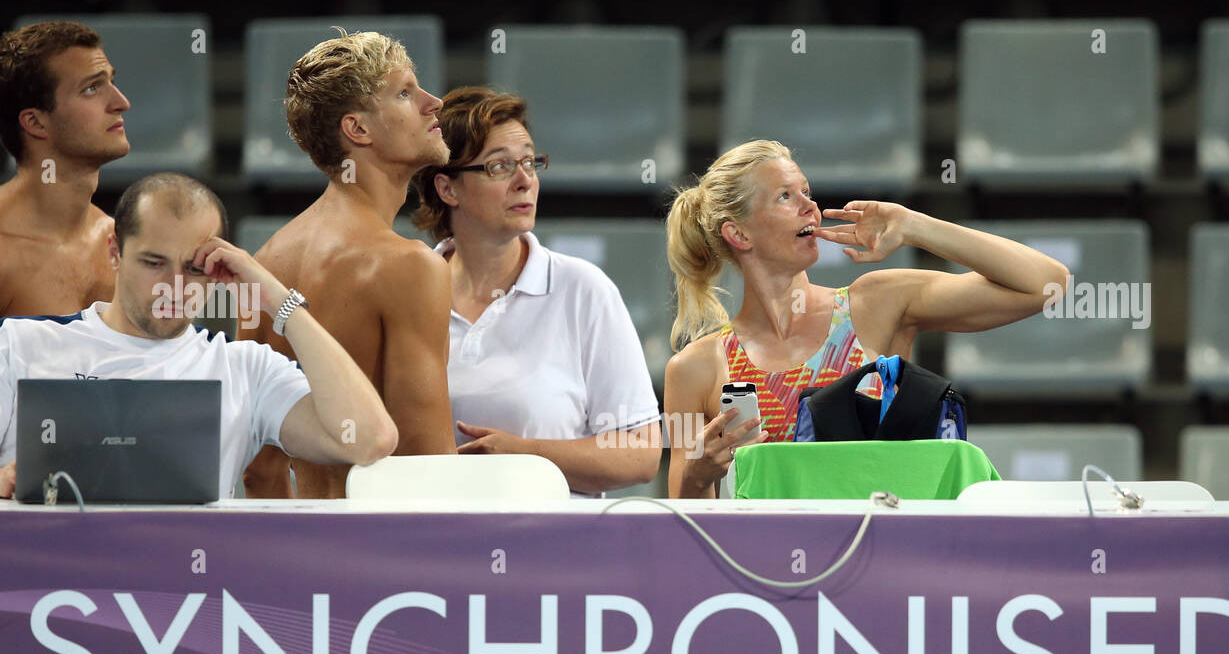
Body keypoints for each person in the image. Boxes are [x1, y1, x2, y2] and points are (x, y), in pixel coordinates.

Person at [663, 139, 1071, 498]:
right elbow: (685, 526)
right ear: (740, 235)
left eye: (806, 191)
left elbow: (1048, 284)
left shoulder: (875, 304)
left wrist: (914, 226)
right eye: (785, 197)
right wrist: (699, 477)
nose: (811, 206)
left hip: (888, 568)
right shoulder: (693, 369)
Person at [0, 172, 397, 500]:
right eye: (154, 263)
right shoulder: (19, 345)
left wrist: (278, 300)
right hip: (44, 588)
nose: (173, 286)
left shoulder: (246, 369)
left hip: (183, 589)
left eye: (194, 268)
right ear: (115, 251)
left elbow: (367, 439)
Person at [411, 86, 660, 497]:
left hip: (558, 548)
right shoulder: (408, 291)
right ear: (447, 188)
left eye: (530, 162)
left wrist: (527, 454)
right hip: (434, 544)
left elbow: (640, 453)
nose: (525, 181)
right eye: (499, 167)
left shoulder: (584, 290)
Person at [241, 30, 457, 499]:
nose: (433, 102)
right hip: (387, 558)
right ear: (357, 130)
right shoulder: (409, 267)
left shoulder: (265, 265)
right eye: (404, 92)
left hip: (299, 554)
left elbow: (259, 470)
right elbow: (427, 463)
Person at [0, 21, 129, 318]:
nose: (121, 102)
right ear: (35, 122)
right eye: (92, 88)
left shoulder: (123, 246)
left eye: (111, 81)